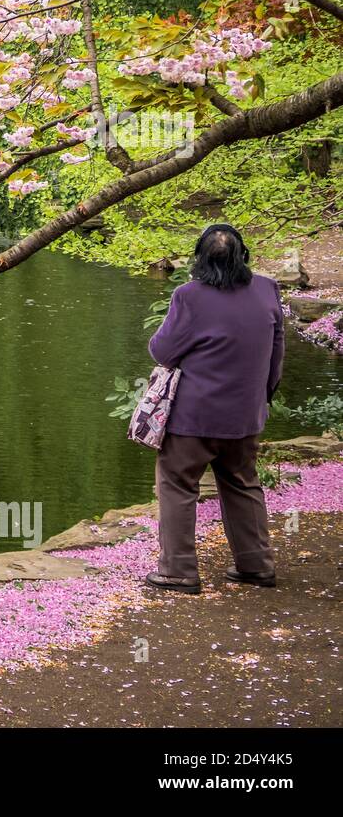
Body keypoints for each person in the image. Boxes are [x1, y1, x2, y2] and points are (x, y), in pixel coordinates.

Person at [145, 224, 285, 594]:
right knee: (243, 483)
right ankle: (256, 565)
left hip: (193, 418)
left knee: (177, 483)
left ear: (199, 259)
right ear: (244, 256)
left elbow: (162, 351)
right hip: (245, 415)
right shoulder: (267, 289)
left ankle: (178, 572)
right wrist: (262, 396)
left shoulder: (189, 296)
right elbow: (276, 353)